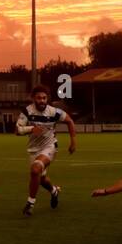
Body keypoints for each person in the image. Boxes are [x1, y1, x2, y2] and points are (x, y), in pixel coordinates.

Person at [16, 85, 76, 216]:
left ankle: (30, 204)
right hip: (33, 149)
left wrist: (73, 142)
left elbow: (70, 121)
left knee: (35, 169)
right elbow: (18, 130)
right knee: (41, 178)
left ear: (47, 98)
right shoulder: (27, 111)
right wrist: (31, 129)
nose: (42, 100)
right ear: (33, 98)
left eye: (44, 98)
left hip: (50, 147)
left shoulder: (54, 112)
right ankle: (54, 191)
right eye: (39, 98)